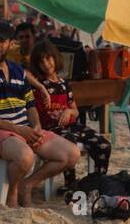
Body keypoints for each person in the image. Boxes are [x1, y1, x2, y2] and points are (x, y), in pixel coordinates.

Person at [0, 21, 79, 208]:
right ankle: (13, 189)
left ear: (10, 43)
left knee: (71, 154)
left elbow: (30, 105)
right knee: (26, 157)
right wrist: (18, 130)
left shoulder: (18, 71)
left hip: (24, 129)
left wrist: (36, 126)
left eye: (2, 41)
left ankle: (28, 184)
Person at [30, 40, 107, 186]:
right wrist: (40, 87)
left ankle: (97, 181)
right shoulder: (37, 85)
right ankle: (70, 184)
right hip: (51, 130)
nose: (46, 64)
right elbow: (23, 72)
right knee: (70, 142)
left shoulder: (64, 84)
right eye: (41, 62)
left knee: (103, 145)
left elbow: (76, 111)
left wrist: (68, 111)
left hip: (71, 125)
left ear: (55, 57)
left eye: (48, 58)